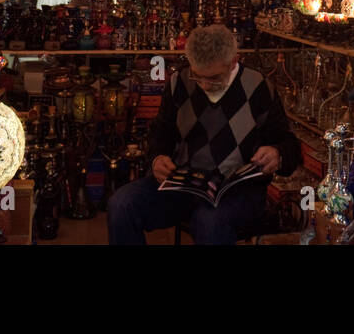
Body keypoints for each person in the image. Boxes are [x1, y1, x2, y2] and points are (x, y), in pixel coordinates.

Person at [107, 24, 301, 244]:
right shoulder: (179, 82)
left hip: (238, 192)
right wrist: (157, 159)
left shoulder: (259, 87)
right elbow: (160, 134)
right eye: (198, 77)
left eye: (215, 78)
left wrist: (277, 153)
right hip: (184, 185)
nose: (205, 86)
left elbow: (290, 146)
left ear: (233, 62)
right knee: (121, 205)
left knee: (208, 221)